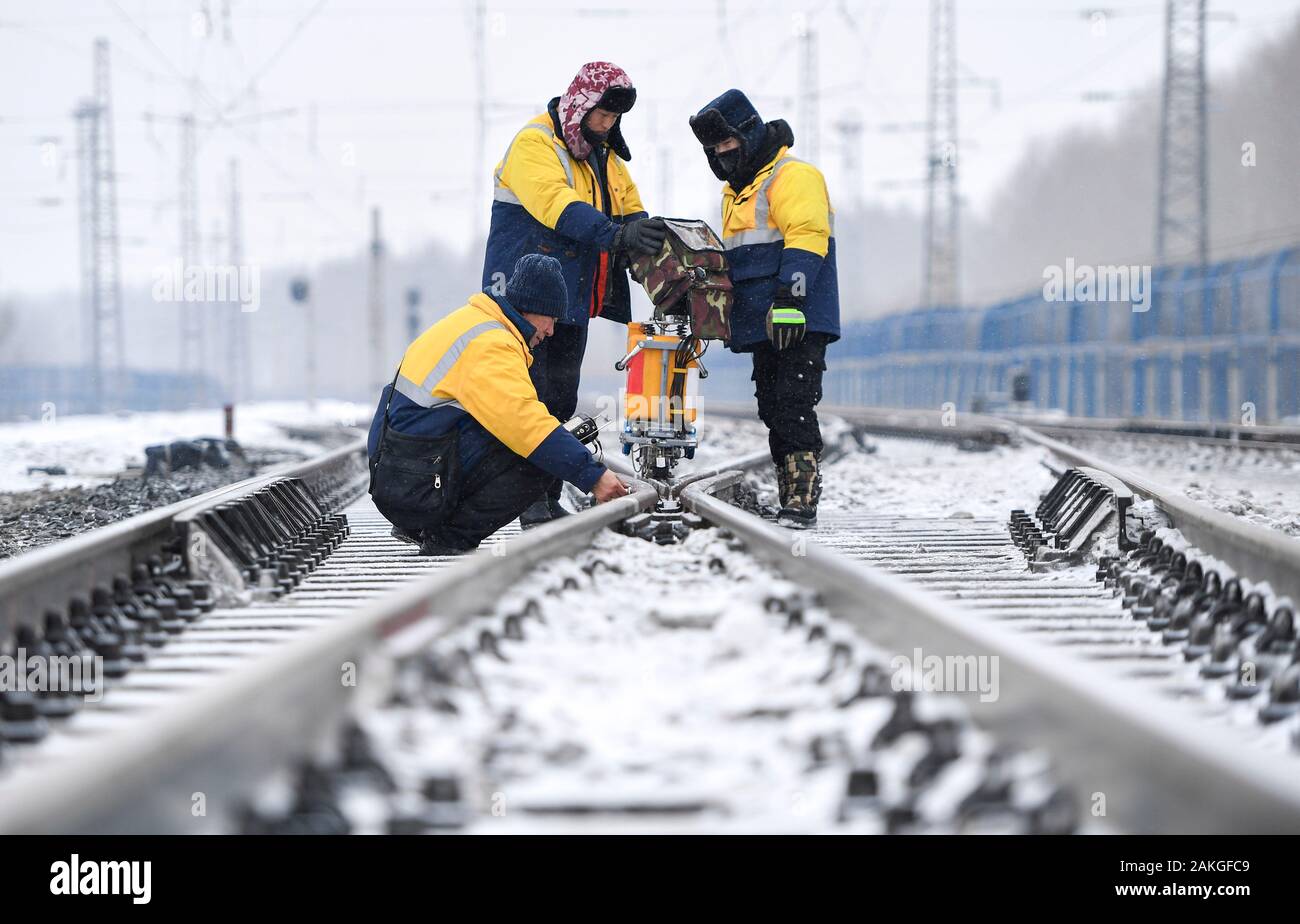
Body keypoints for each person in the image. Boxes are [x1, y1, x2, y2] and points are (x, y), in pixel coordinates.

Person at [482, 61, 666, 528]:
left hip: (569, 300)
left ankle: (543, 496)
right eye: (600, 116)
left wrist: (658, 261)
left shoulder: (605, 157)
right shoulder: (534, 144)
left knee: (559, 401)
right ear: (580, 106)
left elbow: (632, 215)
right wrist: (614, 235)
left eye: (613, 119)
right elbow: (557, 205)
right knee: (531, 399)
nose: (606, 126)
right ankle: (528, 503)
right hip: (524, 299)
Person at [367, 255, 628, 555]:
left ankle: (423, 523)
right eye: (552, 319)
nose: (552, 331)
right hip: (414, 486)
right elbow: (525, 424)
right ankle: (448, 538)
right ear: (533, 309)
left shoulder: (473, 323)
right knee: (539, 456)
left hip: (403, 474)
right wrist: (593, 475)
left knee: (540, 443)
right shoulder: (492, 344)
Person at [688, 89, 840, 528]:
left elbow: (808, 235)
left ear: (747, 136)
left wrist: (791, 298)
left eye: (727, 146)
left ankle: (801, 497)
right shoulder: (735, 192)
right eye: (713, 151)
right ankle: (790, 489)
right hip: (761, 321)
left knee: (794, 400)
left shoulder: (792, 176)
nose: (721, 157)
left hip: (798, 315)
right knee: (771, 404)